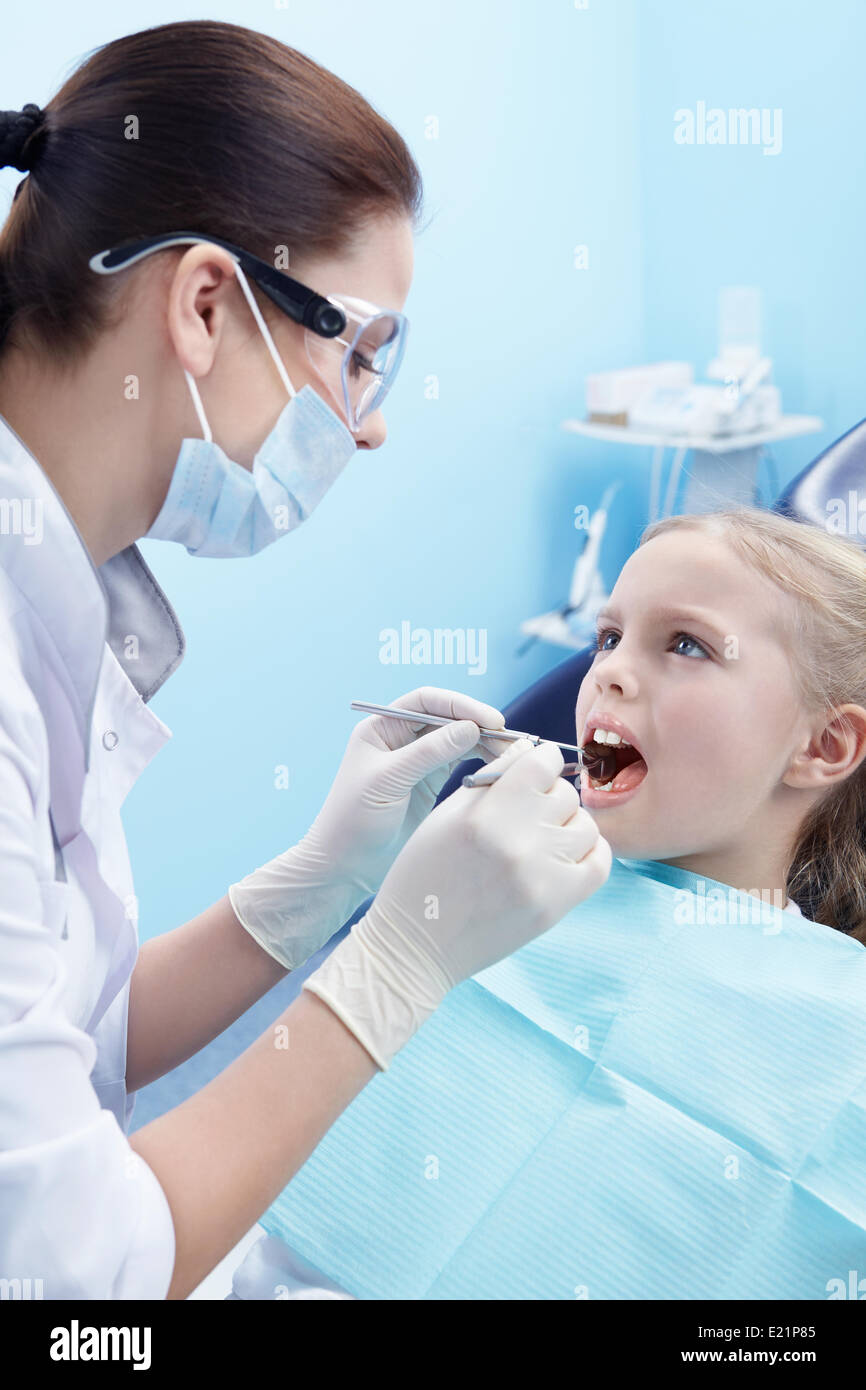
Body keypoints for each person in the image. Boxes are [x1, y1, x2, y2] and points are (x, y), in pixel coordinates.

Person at [0, 20, 612, 1300]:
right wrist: (396, 960)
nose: (371, 421)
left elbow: (57, 1046)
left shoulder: (53, 589)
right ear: (207, 303)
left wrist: (305, 893)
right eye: (360, 350)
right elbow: (75, 1287)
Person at [229, 504, 866, 1299]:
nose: (609, 672)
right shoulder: (493, 886)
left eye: (686, 644)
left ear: (823, 746)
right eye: (608, 637)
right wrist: (332, 884)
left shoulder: (843, 1032)